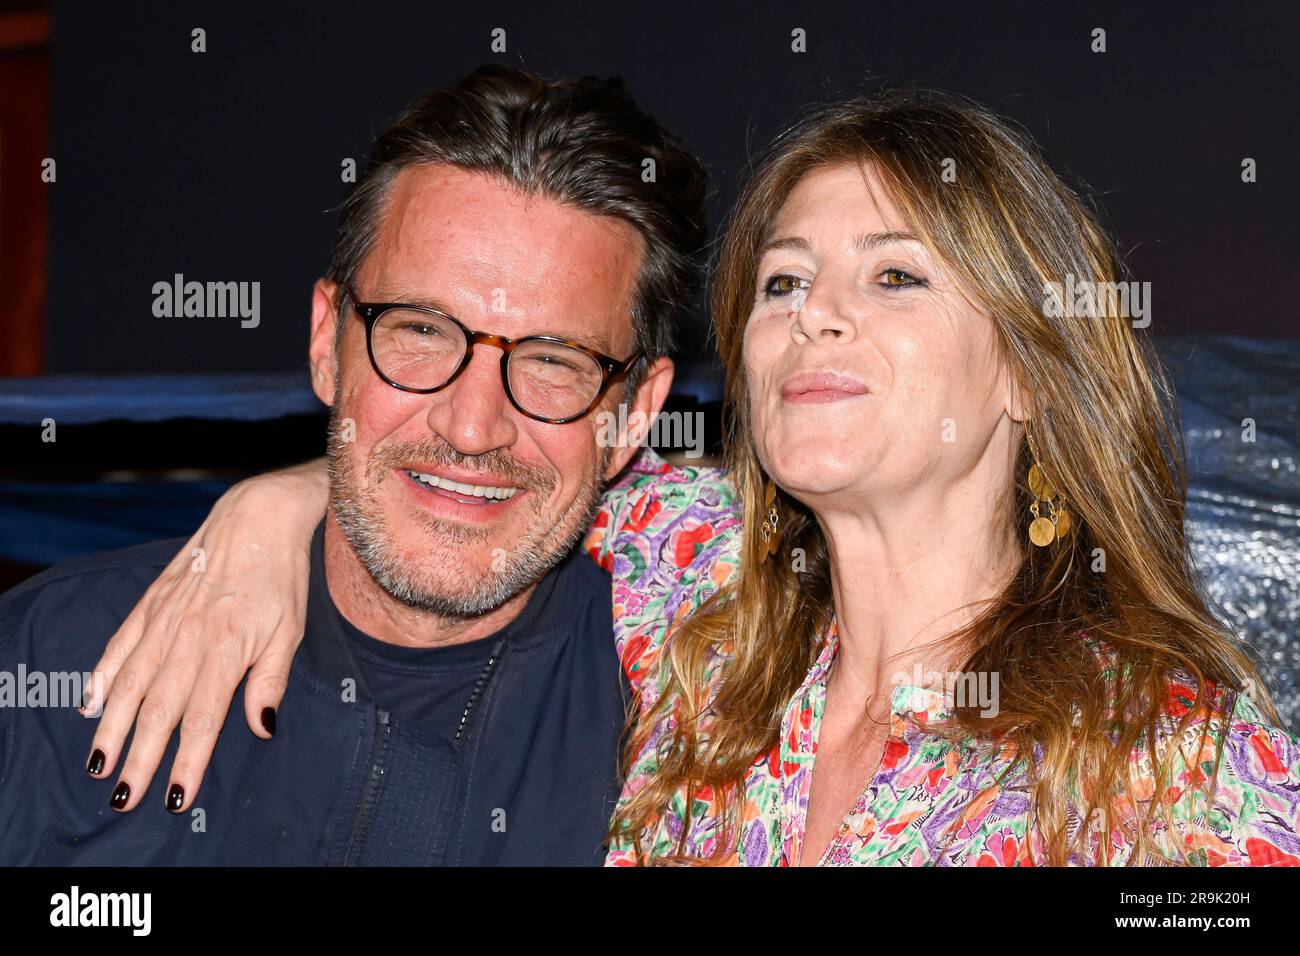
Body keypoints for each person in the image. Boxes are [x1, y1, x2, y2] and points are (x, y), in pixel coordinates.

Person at [74, 89, 1300, 866]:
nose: (814, 316)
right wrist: (262, 512)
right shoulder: (692, 598)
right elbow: (465, 462)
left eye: (893, 276)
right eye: (781, 281)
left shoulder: (1167, 745)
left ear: (1031, 368)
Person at [0, 64, 706, 865]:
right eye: (420, 330)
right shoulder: (47, 659)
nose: (473, 427)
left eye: (553, 360)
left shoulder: (709, 723)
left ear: (635, 413)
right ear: (326, 342)